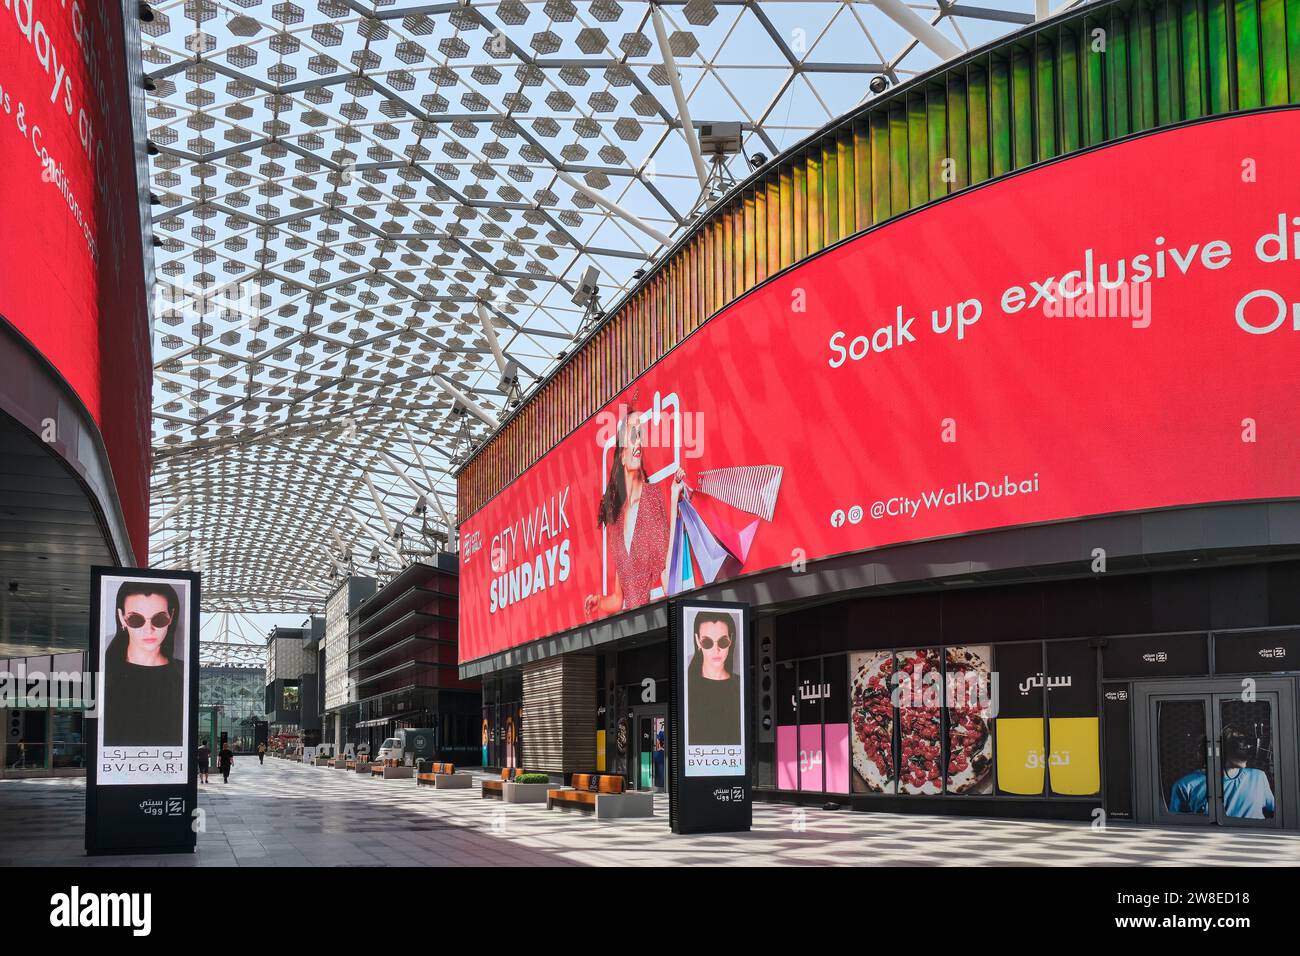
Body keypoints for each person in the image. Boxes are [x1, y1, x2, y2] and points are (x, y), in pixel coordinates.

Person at [583, 411, 686, 620]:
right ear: (622, 455)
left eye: (640, 435)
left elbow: (667, 575)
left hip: (655, 622)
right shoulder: (617, 521)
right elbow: (618, 599)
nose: (638, 442)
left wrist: (674, 500)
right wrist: (598, 601)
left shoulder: (651, 497)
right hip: (630, 631)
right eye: (632, 437)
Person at [102, 581, 184, 746]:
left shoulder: (183, 674)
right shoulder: (103, 671)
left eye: (159, 619)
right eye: (136, 619)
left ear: (172, 616)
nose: (149, 629)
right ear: (121, 617)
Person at [1169, 726, 1275, 819]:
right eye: (1240, 746)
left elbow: (1275, 812)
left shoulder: (1258, 777)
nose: (1246, 752)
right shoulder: (1185, 786)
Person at [686, 610, 741, 745]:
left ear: (731, 639)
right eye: (707, 642)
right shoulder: (686, 686)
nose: (716, 650)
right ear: (698, 641)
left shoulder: (741, 685)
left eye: (722, 642)